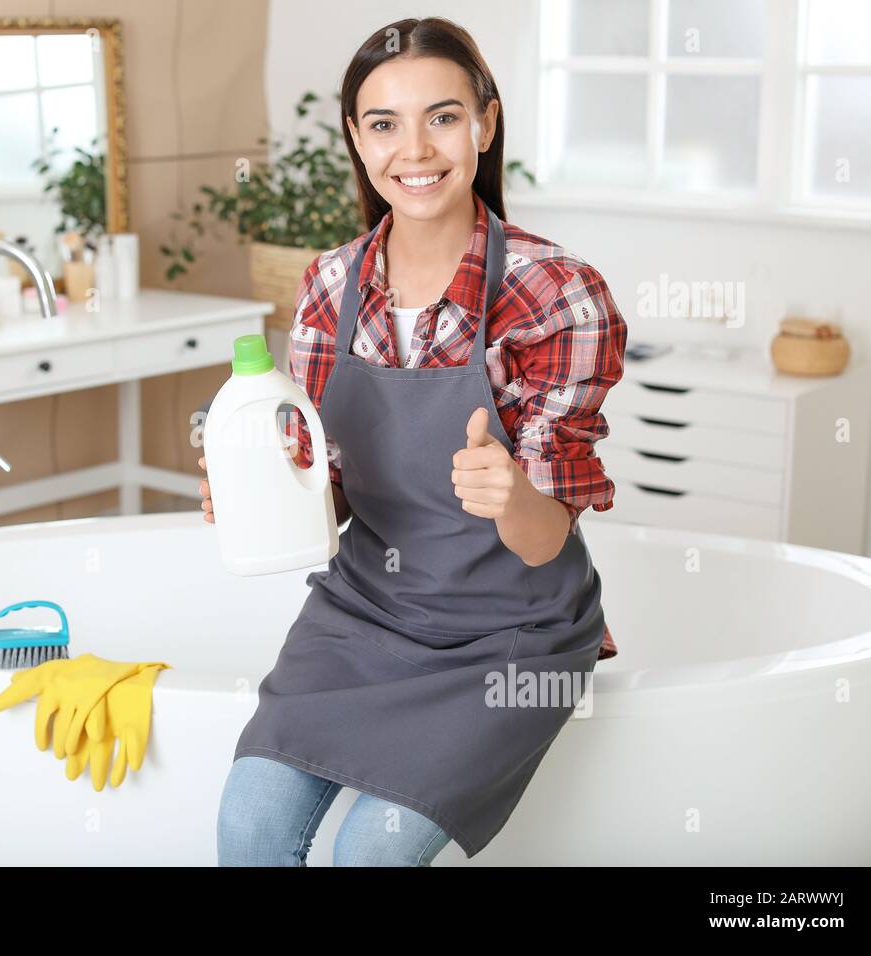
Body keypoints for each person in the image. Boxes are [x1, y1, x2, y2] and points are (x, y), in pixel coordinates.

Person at [201, 16, 626, 866]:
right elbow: (336, 494)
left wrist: (513, 491)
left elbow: (545, 540)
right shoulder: (330, 285)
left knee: (373, 853)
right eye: (384, 124)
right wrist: (263, 495)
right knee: (249, 831)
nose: (415, 149)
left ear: (485, 124)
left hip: (512, 632)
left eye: (442, 116)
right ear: (356, 139)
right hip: (365, 610)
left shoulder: (555, 293)